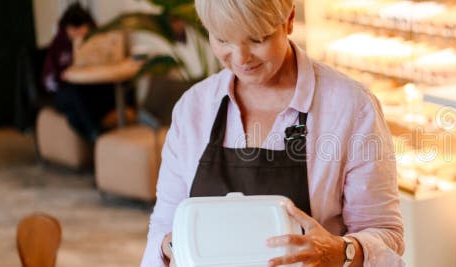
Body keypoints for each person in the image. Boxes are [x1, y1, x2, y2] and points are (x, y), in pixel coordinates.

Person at [140, 0, 404, 266]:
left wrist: (341, 251)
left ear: (288, 20)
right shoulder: (193, 108)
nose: (241, 58)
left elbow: (385, 233)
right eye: (223, 39)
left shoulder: (351, 107)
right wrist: (168, 246)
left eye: (257, 39)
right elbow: (165, 224)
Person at [41, 3, 127, 142]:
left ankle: (98, 141)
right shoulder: (58, 45)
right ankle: (96, 134)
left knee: (74, 116)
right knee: (76, 94)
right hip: (65, 92)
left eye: (81, 28)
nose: (77, 33)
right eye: (72, 29)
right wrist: (62, 76)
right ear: (66, 27)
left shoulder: (97, 38)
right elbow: (49, 80)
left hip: (89, 89)